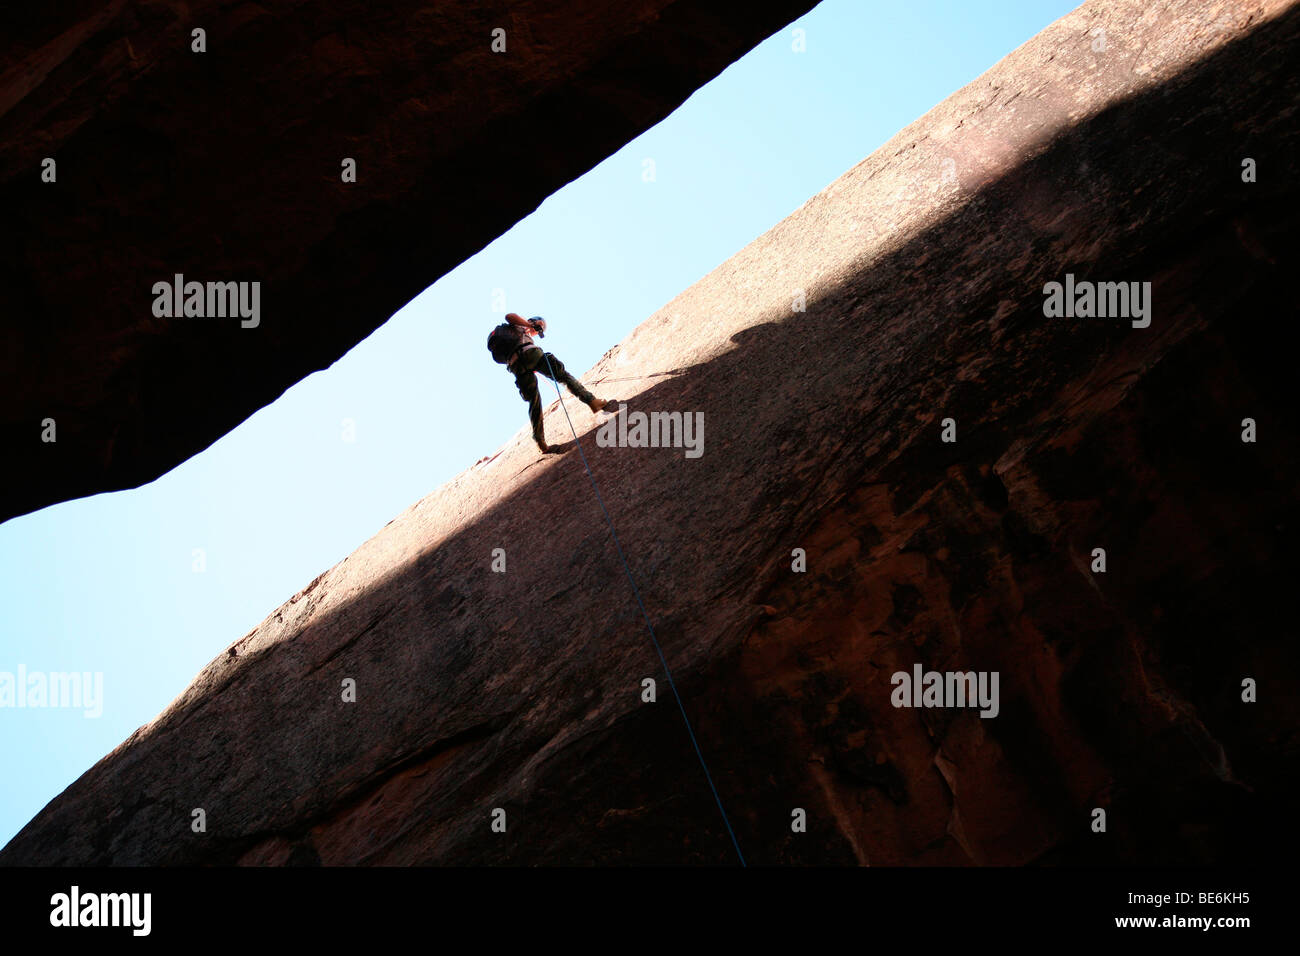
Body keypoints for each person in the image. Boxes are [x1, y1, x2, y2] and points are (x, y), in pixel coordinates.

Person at [487, 313, 616, 454]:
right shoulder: (520, 326)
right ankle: (592, 402)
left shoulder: (512, 334)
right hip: (530, 354)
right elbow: (508, 316)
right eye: (540, 327)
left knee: (534, 401)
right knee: (562, 376)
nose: (538, 331)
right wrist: (530, 325)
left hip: (517, 366)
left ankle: (539, 440)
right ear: (534, 322)